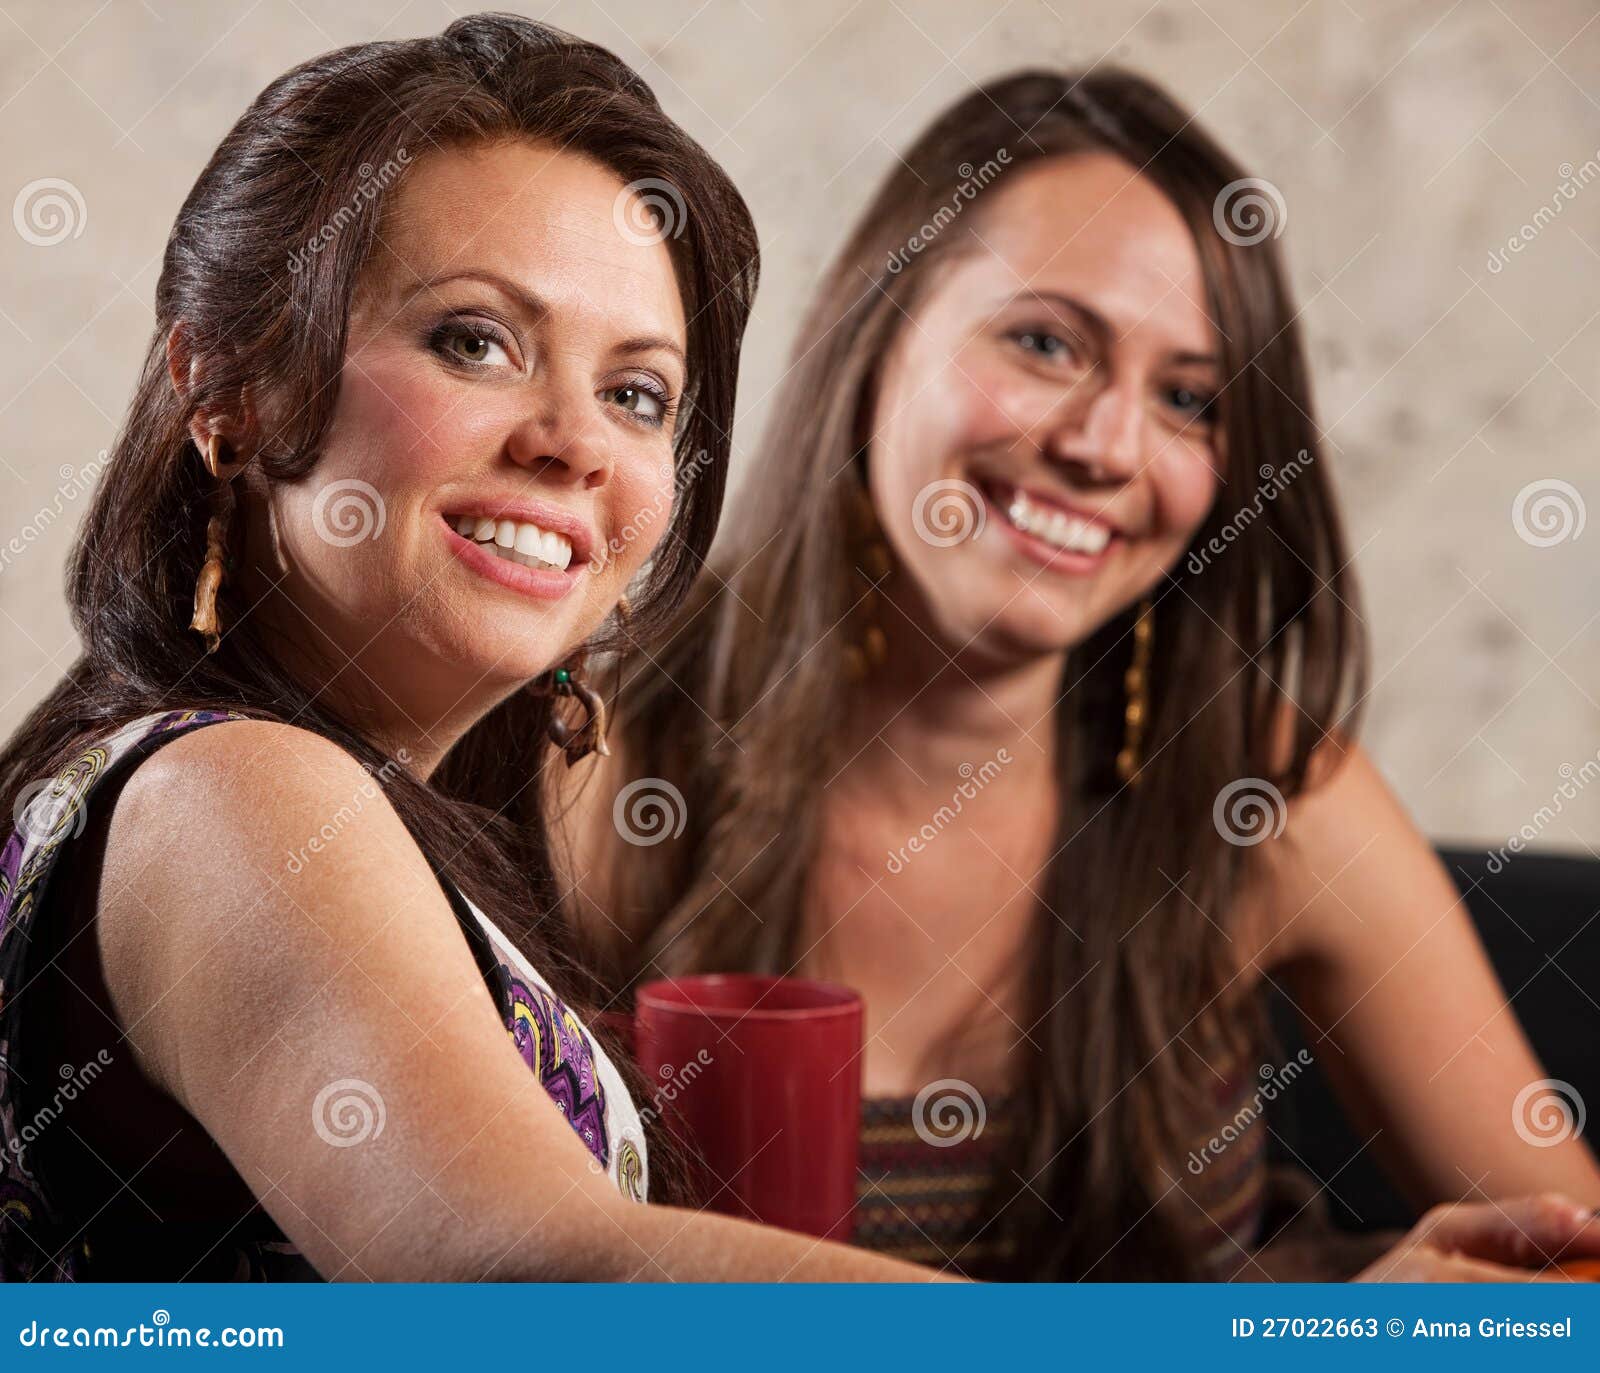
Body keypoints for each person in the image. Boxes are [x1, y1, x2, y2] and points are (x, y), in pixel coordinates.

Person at [553, 68, 1600, 1282]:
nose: (1105, 446)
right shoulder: (604, 758)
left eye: (1188, 400)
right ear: (876, 333)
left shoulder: (1262, 791)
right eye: (1044, 341)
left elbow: (1570, 1251)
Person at [0, 13, 943, 1283]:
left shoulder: (329, 799)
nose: (575, 441)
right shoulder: (231, 792)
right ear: (230, 390)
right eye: (475, 340)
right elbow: (522, 1272)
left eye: (637, 393)